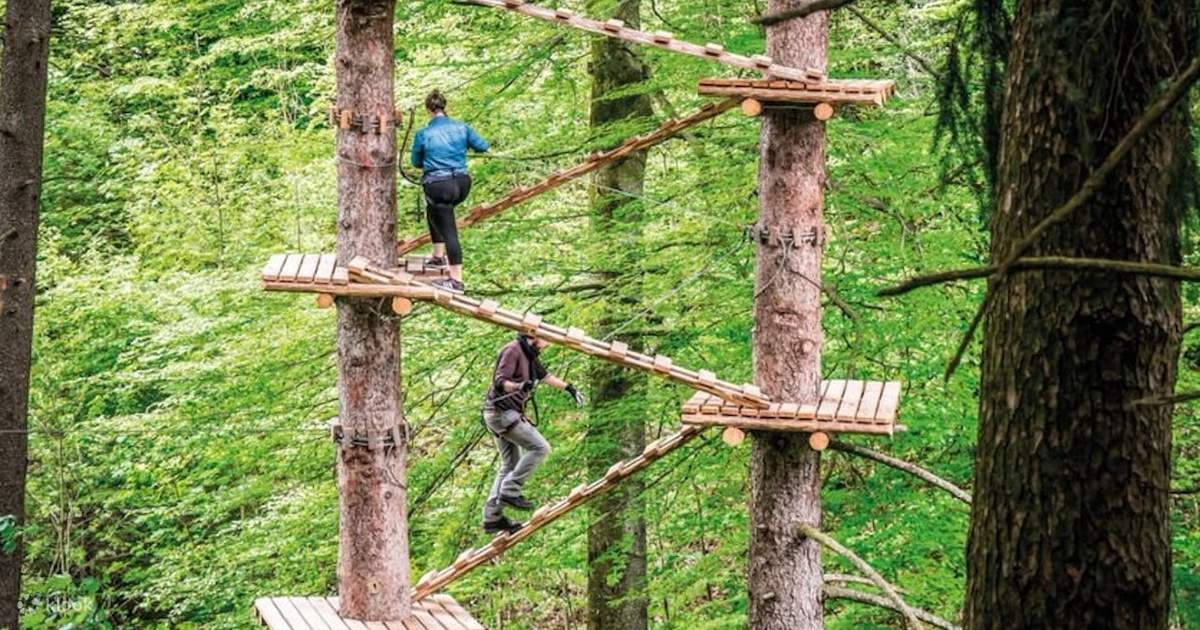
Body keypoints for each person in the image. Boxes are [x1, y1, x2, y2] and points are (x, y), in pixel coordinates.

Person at [481, 332, 586, 534]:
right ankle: (511, 490)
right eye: (547, 340)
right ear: (535, 336)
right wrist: (520, 386)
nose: (547, 345)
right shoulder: (513, 350)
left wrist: (570, 389)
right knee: (540, 447)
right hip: (501, 413)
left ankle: (492, 517)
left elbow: (545, 376)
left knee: (510, 463)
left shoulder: (529, 354)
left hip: (501, 414)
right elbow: (500, 382)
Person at [411, 89, 489, 293]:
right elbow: (483, 146)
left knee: (449, 229)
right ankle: (438, 256)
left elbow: (416, 162)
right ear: (445, 108)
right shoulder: (462, 128)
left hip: (438, 185)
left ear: (428, 110)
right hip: (462, 184)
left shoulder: (424, 134)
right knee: (433, 210)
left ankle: (456, 280)